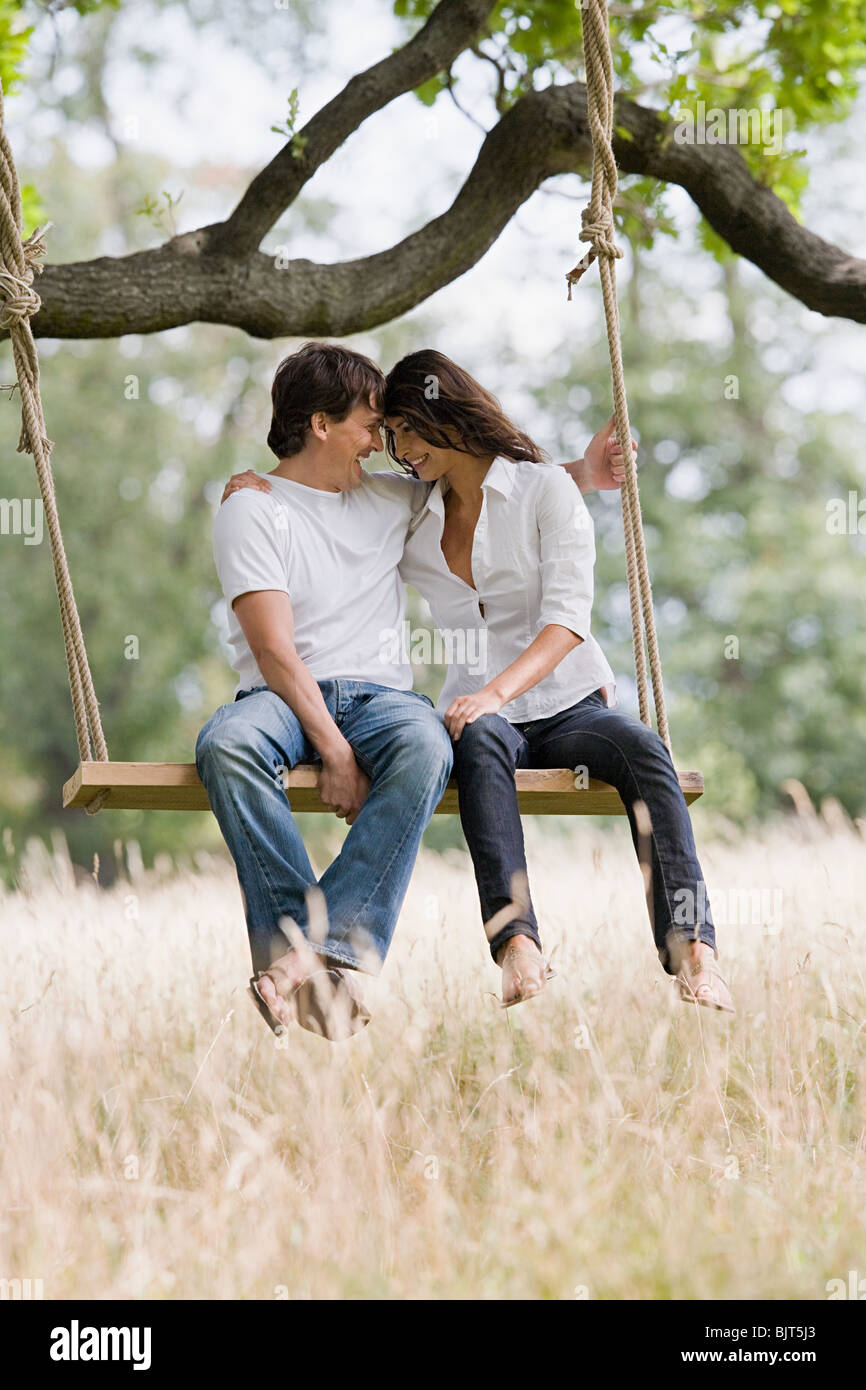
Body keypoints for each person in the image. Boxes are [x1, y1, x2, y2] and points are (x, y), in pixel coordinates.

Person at [196, 342, 454, 1042]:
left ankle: (305, 956)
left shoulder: (393, 498)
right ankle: (305, 954)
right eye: (370, 427)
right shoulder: (253, 509)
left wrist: (581, 473)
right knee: (226, 745)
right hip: (280, 696)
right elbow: (273, 650)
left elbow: (488, 481)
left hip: (381, 698)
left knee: (427, 746)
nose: (381, 444)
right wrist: (335, 752)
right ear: (320, 425)